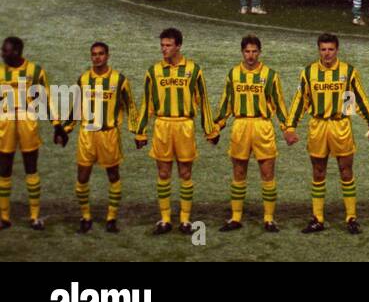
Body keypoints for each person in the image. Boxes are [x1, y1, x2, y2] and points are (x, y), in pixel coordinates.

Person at [286, 32, 369, 234]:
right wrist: (290, 127)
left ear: (337, 50)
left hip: (340, 126)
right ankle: (317, 218)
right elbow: (300, 101)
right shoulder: (309, 72)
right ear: (318, 50)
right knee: (318, 172)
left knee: (346, 171)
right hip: (318, 126)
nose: (327, 53)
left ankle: (351, 217)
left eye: (330, 49)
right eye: (323, 49)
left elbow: (358, 100)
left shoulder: (347, 72)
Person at [131, 27, 218, 236]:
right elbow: (147, 104)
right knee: (163, 173)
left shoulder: (193, 70)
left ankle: (186, 220)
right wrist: (140, 131)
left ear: (178, 45)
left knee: (185, 173)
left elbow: (203, 100)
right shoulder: (153, 71)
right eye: (162, 45)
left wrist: (210, 130)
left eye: (168, 45)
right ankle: (165, 219)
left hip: (184, 126)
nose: (164, 49)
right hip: (162, 125)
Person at [213, 35, 296, 232]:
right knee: (239, 172)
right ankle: (235, 217)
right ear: (242, 52)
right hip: (240, 126)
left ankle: (268, 218)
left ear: (260, 52)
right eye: (247, 52)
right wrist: (217, 126)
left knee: (267, 173)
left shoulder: (269, 75)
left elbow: (279, 104)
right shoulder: (233, 74)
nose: (250, 55)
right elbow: (226, 103)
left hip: (262, 126)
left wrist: (287, 128)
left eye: (254, 51)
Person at [54, 42, 133, 233]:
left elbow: (130, 107)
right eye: (94, 54)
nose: (97, 57)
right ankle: (86, 216)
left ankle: (111, 218)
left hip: (109, 135)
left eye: (101, 54)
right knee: (82, 177)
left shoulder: (119, 79)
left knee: (113, 176)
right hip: (87, 135)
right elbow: (77, 107)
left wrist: (137, 131)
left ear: (107, 55)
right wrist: (66, 129)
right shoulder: (83, 79)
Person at [0, 36, 53, 229]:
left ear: (16, 52)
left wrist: (57, 126)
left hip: (27, 124)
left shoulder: (35, 71)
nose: (2, 54)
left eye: (5, 51)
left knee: (31, 167)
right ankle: (4, 217)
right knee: (4, 169)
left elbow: (46, 100)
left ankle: (34, 217)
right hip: (4, 125)